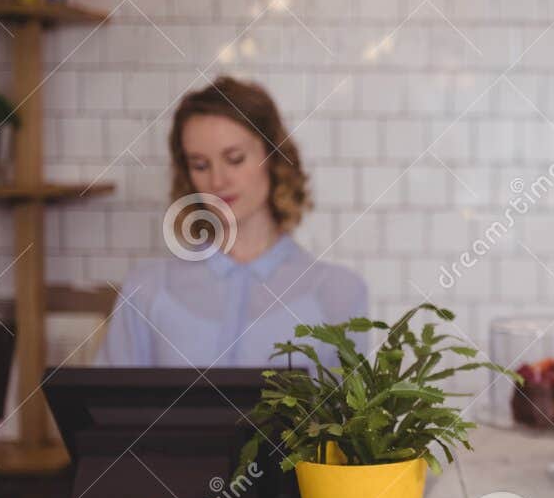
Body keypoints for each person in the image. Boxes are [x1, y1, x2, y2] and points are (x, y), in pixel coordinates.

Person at [96, 76, 367, 367]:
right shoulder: (146, 290)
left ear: (274, 158)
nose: (217, 180)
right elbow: (109, 408)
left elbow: (348, 412)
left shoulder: (338, 292)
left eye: (235, 159)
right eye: (200, 165)